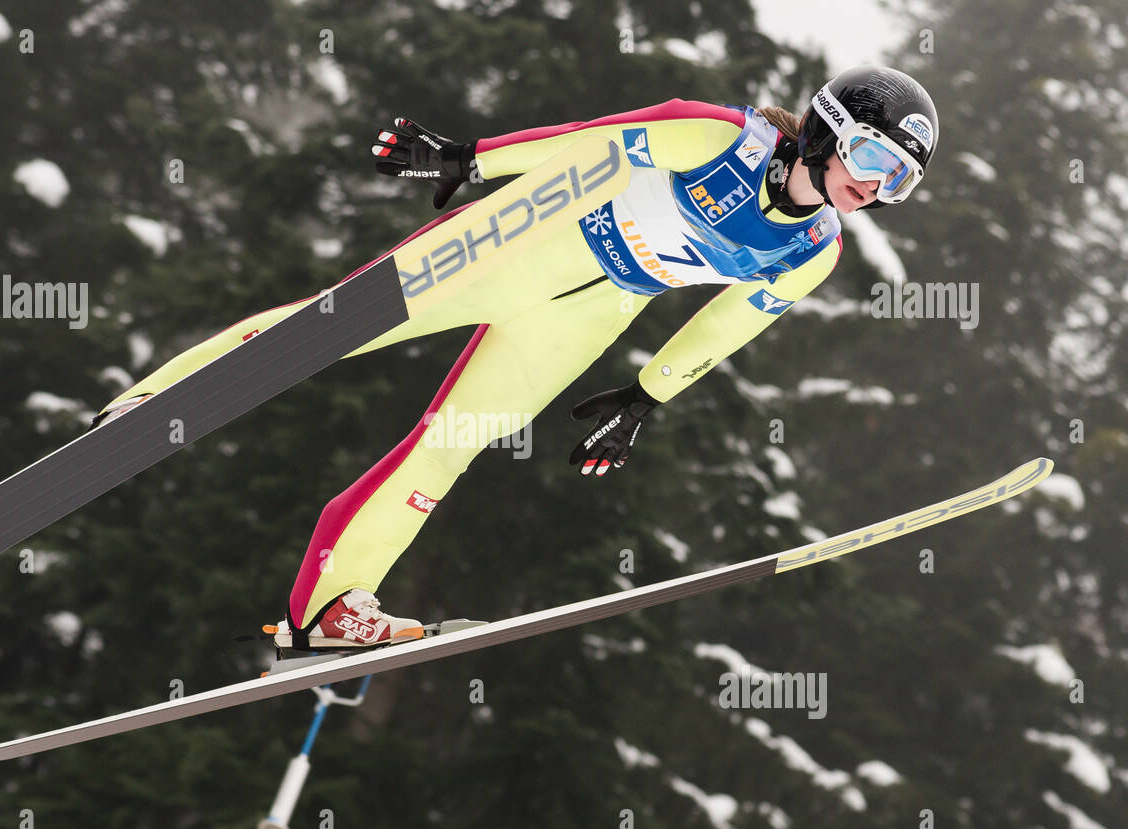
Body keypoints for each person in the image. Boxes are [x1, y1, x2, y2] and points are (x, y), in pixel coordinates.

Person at [92, 65, 939, 650]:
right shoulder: (718, 137)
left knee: (453, 445)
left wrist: (647, 396)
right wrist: (473, 159)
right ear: (829, 130)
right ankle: (146, 410)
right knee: (326, 328)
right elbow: (586, 141)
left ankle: (330, 609)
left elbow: (729, 326)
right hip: (521, 241)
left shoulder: (815, 250)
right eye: (872, 158)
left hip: (591, 307)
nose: (875, 187)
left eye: (897, 180)